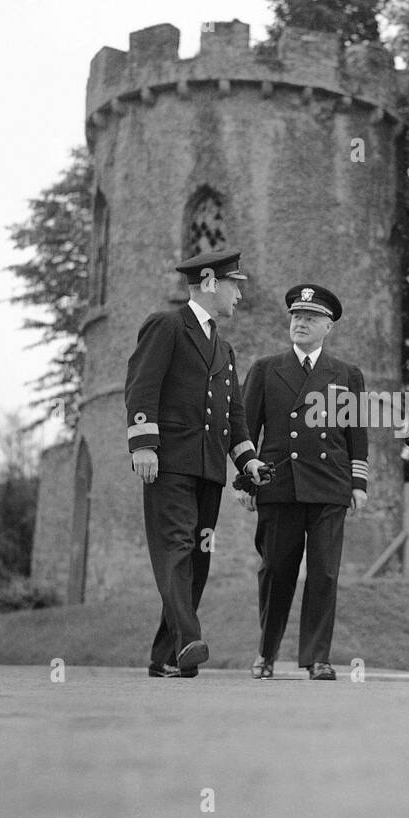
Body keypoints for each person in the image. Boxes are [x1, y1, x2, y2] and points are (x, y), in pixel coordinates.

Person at [125, 248, 266, 678]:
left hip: (208, 471)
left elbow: (235, 415)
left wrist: (249, 463)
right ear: (209, 282)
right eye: (234, 285)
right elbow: (141, 386)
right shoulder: (166, 326)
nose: (239, 294)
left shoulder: (225, 349)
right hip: (168, 464)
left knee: (199, 557)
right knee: (177, 550)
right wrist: (143, 445)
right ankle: (189, 639)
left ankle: (165, 655)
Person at [239, 284, 369, 680]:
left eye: (310, 319)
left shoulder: (346, 374)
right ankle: (266, 652)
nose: (301, 324)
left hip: (329, 484)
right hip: (280, 485)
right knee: (276, 570)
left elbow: (356, 432)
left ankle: (317, 658)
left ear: (328, 327)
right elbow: (246, 428)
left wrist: (358, 482)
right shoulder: (265, 368)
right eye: (297, 317)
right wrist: (247, 481)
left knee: (325, 572)